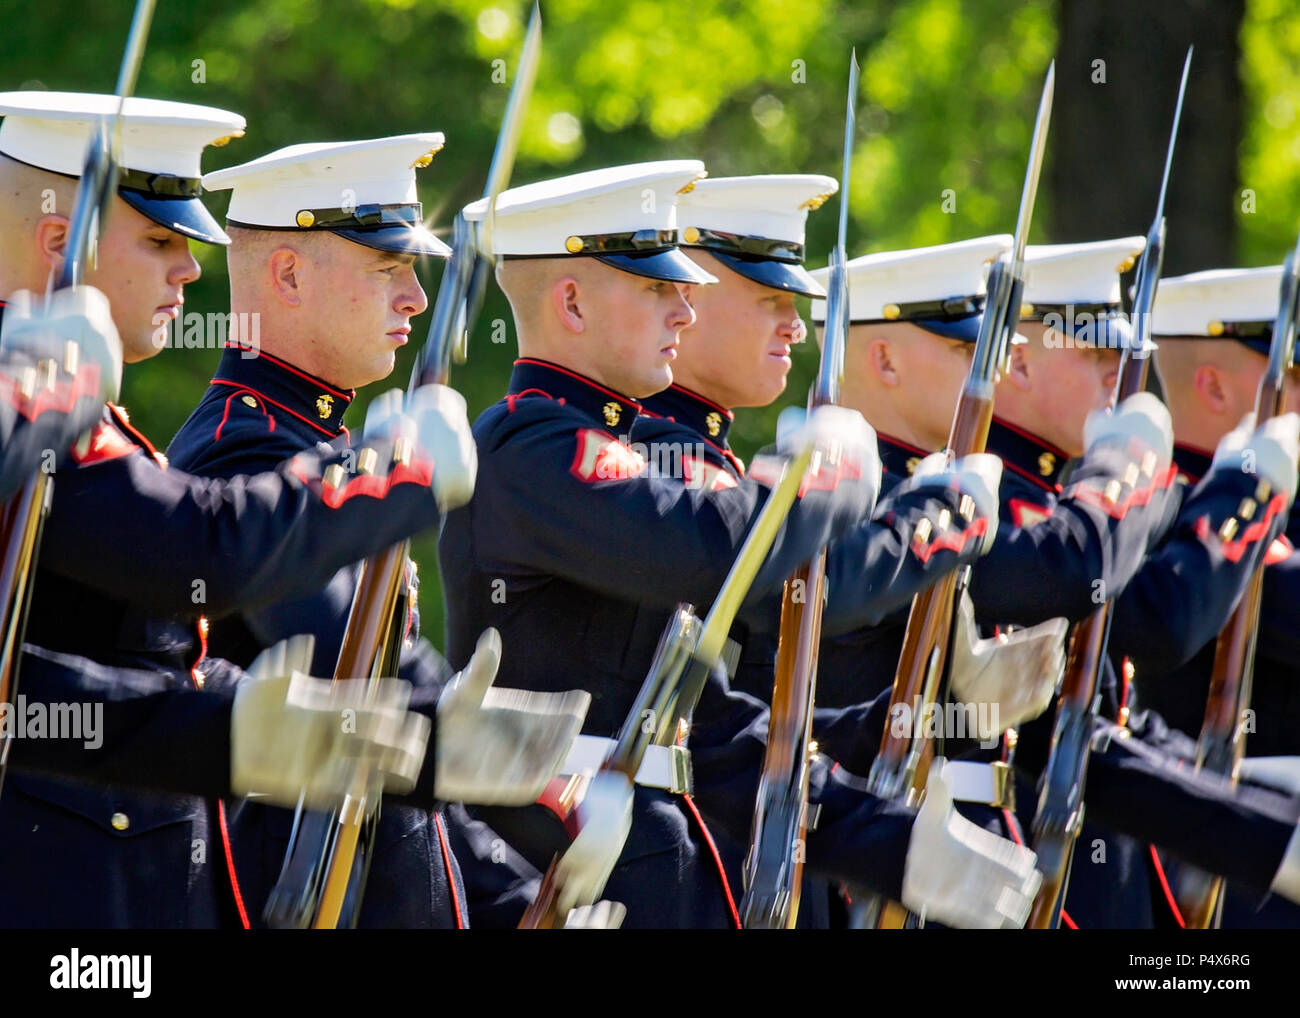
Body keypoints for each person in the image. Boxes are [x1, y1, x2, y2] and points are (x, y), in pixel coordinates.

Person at [0, 93, 584, 928]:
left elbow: (83, 697)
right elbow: (203, 553)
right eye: (162, 240)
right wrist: (397, 471)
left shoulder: (72, 411)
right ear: (60, 243)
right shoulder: (188, 434)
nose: (189, 271)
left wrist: (245, 729)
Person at [438, 160, 1046, 928]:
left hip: (662, 866)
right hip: (567, 874)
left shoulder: (600, 445)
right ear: (571, 303)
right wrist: (831, 478)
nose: (685, 312)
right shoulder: (532, 448)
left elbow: (712, 729)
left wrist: (897, 848)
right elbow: (715, 553)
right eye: (659, 288)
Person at [806, 235, 1300, 924]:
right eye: (1095, 355)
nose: (1117, 374)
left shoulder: (1020, 504)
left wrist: (1258, 813)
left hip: (1042, 856)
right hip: (896, 859)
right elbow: (1142, 610)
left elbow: (1093, 714)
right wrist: (1201, 487)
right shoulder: (897, 505)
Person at [167, 134, 553, 928]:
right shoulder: (245, 450)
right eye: (388, 270)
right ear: (288, 274)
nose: (414, 298)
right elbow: (355, 676)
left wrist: (516, 895)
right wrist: (535, 774)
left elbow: (402, 730)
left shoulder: (320, 450)